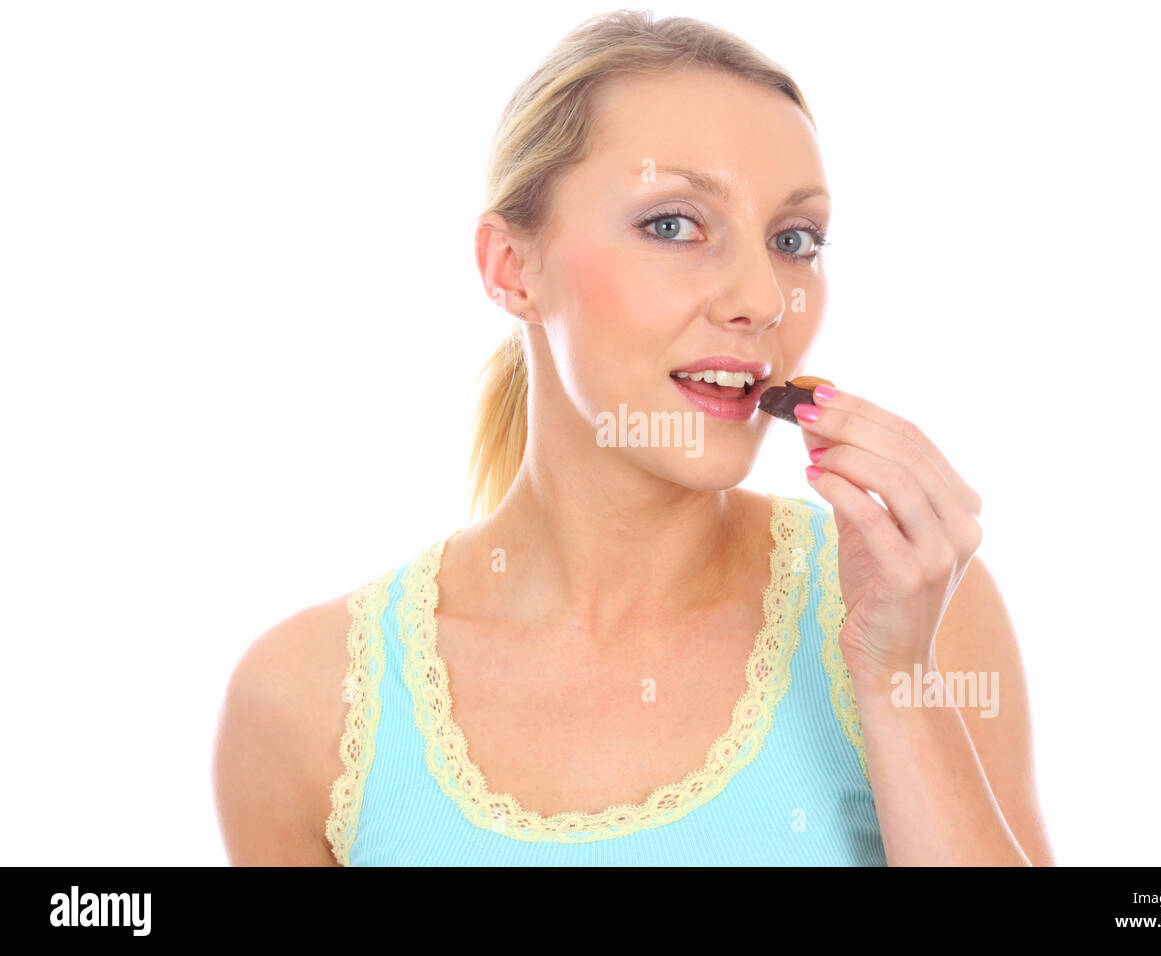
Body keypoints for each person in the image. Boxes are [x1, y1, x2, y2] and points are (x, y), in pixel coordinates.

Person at [213, 9, 1054, 866]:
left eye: (793, 240)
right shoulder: (304, 702)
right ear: (513, 269)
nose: (764, 298)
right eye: (673, 225)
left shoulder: (916, 606)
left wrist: (895, 676)